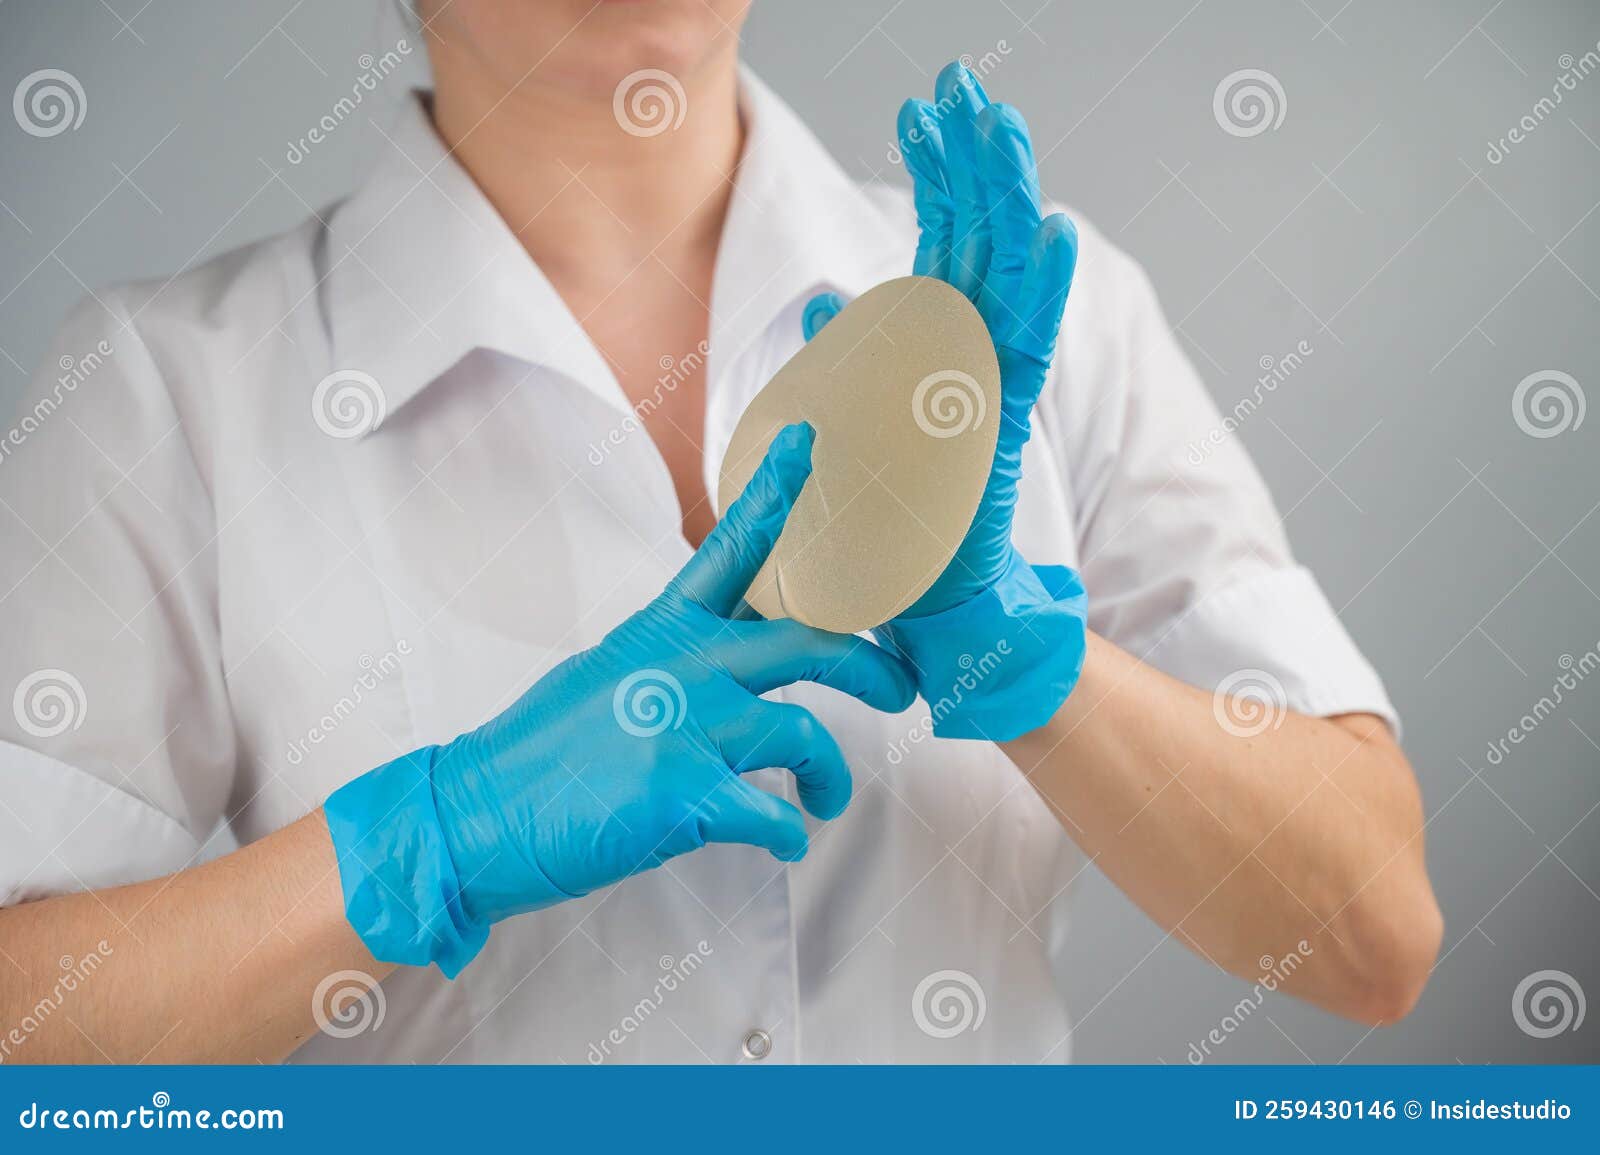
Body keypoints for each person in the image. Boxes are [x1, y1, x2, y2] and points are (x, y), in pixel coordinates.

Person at [0, 0, 1441, 1063]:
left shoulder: (1041, 325)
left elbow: (1375, 933)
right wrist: (428, 841)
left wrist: (1029, 658)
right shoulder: (165, 394)